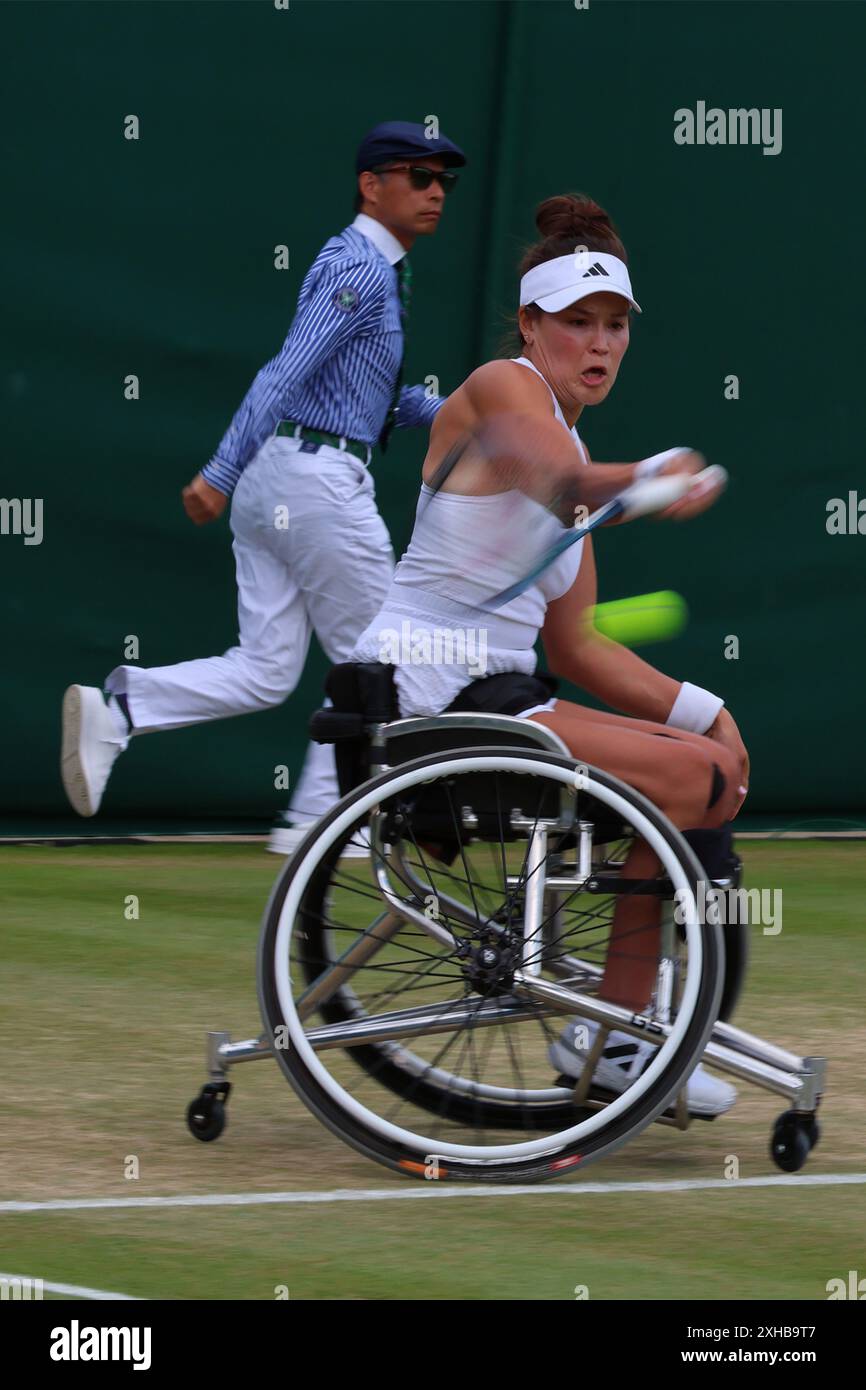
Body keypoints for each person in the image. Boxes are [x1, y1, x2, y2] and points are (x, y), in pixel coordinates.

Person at [350, 193, 749, 1115]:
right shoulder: (501, 386)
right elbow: (562, 486)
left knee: (712, 765)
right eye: (578, 322)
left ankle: (632, 1016)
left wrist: (708, 712)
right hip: (430, 702)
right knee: (692, 780)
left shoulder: (570, 437)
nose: (600, 344)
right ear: (531, 323)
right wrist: (648, 478)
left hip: (500, 701)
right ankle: (621, 1032)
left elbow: (577, 643)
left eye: (615, 325)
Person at [60, 121, 466, 856]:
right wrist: (219, 470)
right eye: (418, 176)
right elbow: (285, 370)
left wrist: (463, 416)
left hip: (282, 481)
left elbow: (369, 397)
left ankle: (120, 710)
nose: (435, 191)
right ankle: (320, 825)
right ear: (371, 185)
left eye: (444, 180)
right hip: (312, 483)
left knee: (266, 670)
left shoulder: (370, 268)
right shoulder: (361, 267)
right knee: (381, 661)